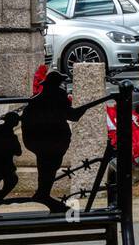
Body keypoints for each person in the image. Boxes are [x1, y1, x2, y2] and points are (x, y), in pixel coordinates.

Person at [20, 69, 100, 211]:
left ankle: (42, 193)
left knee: (46, 166)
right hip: (52, 142)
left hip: (41, 142)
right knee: (49, 166)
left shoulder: (37, 100)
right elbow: (73, 116)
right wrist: (85, 107)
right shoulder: (57, 97)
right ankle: (43, 194)